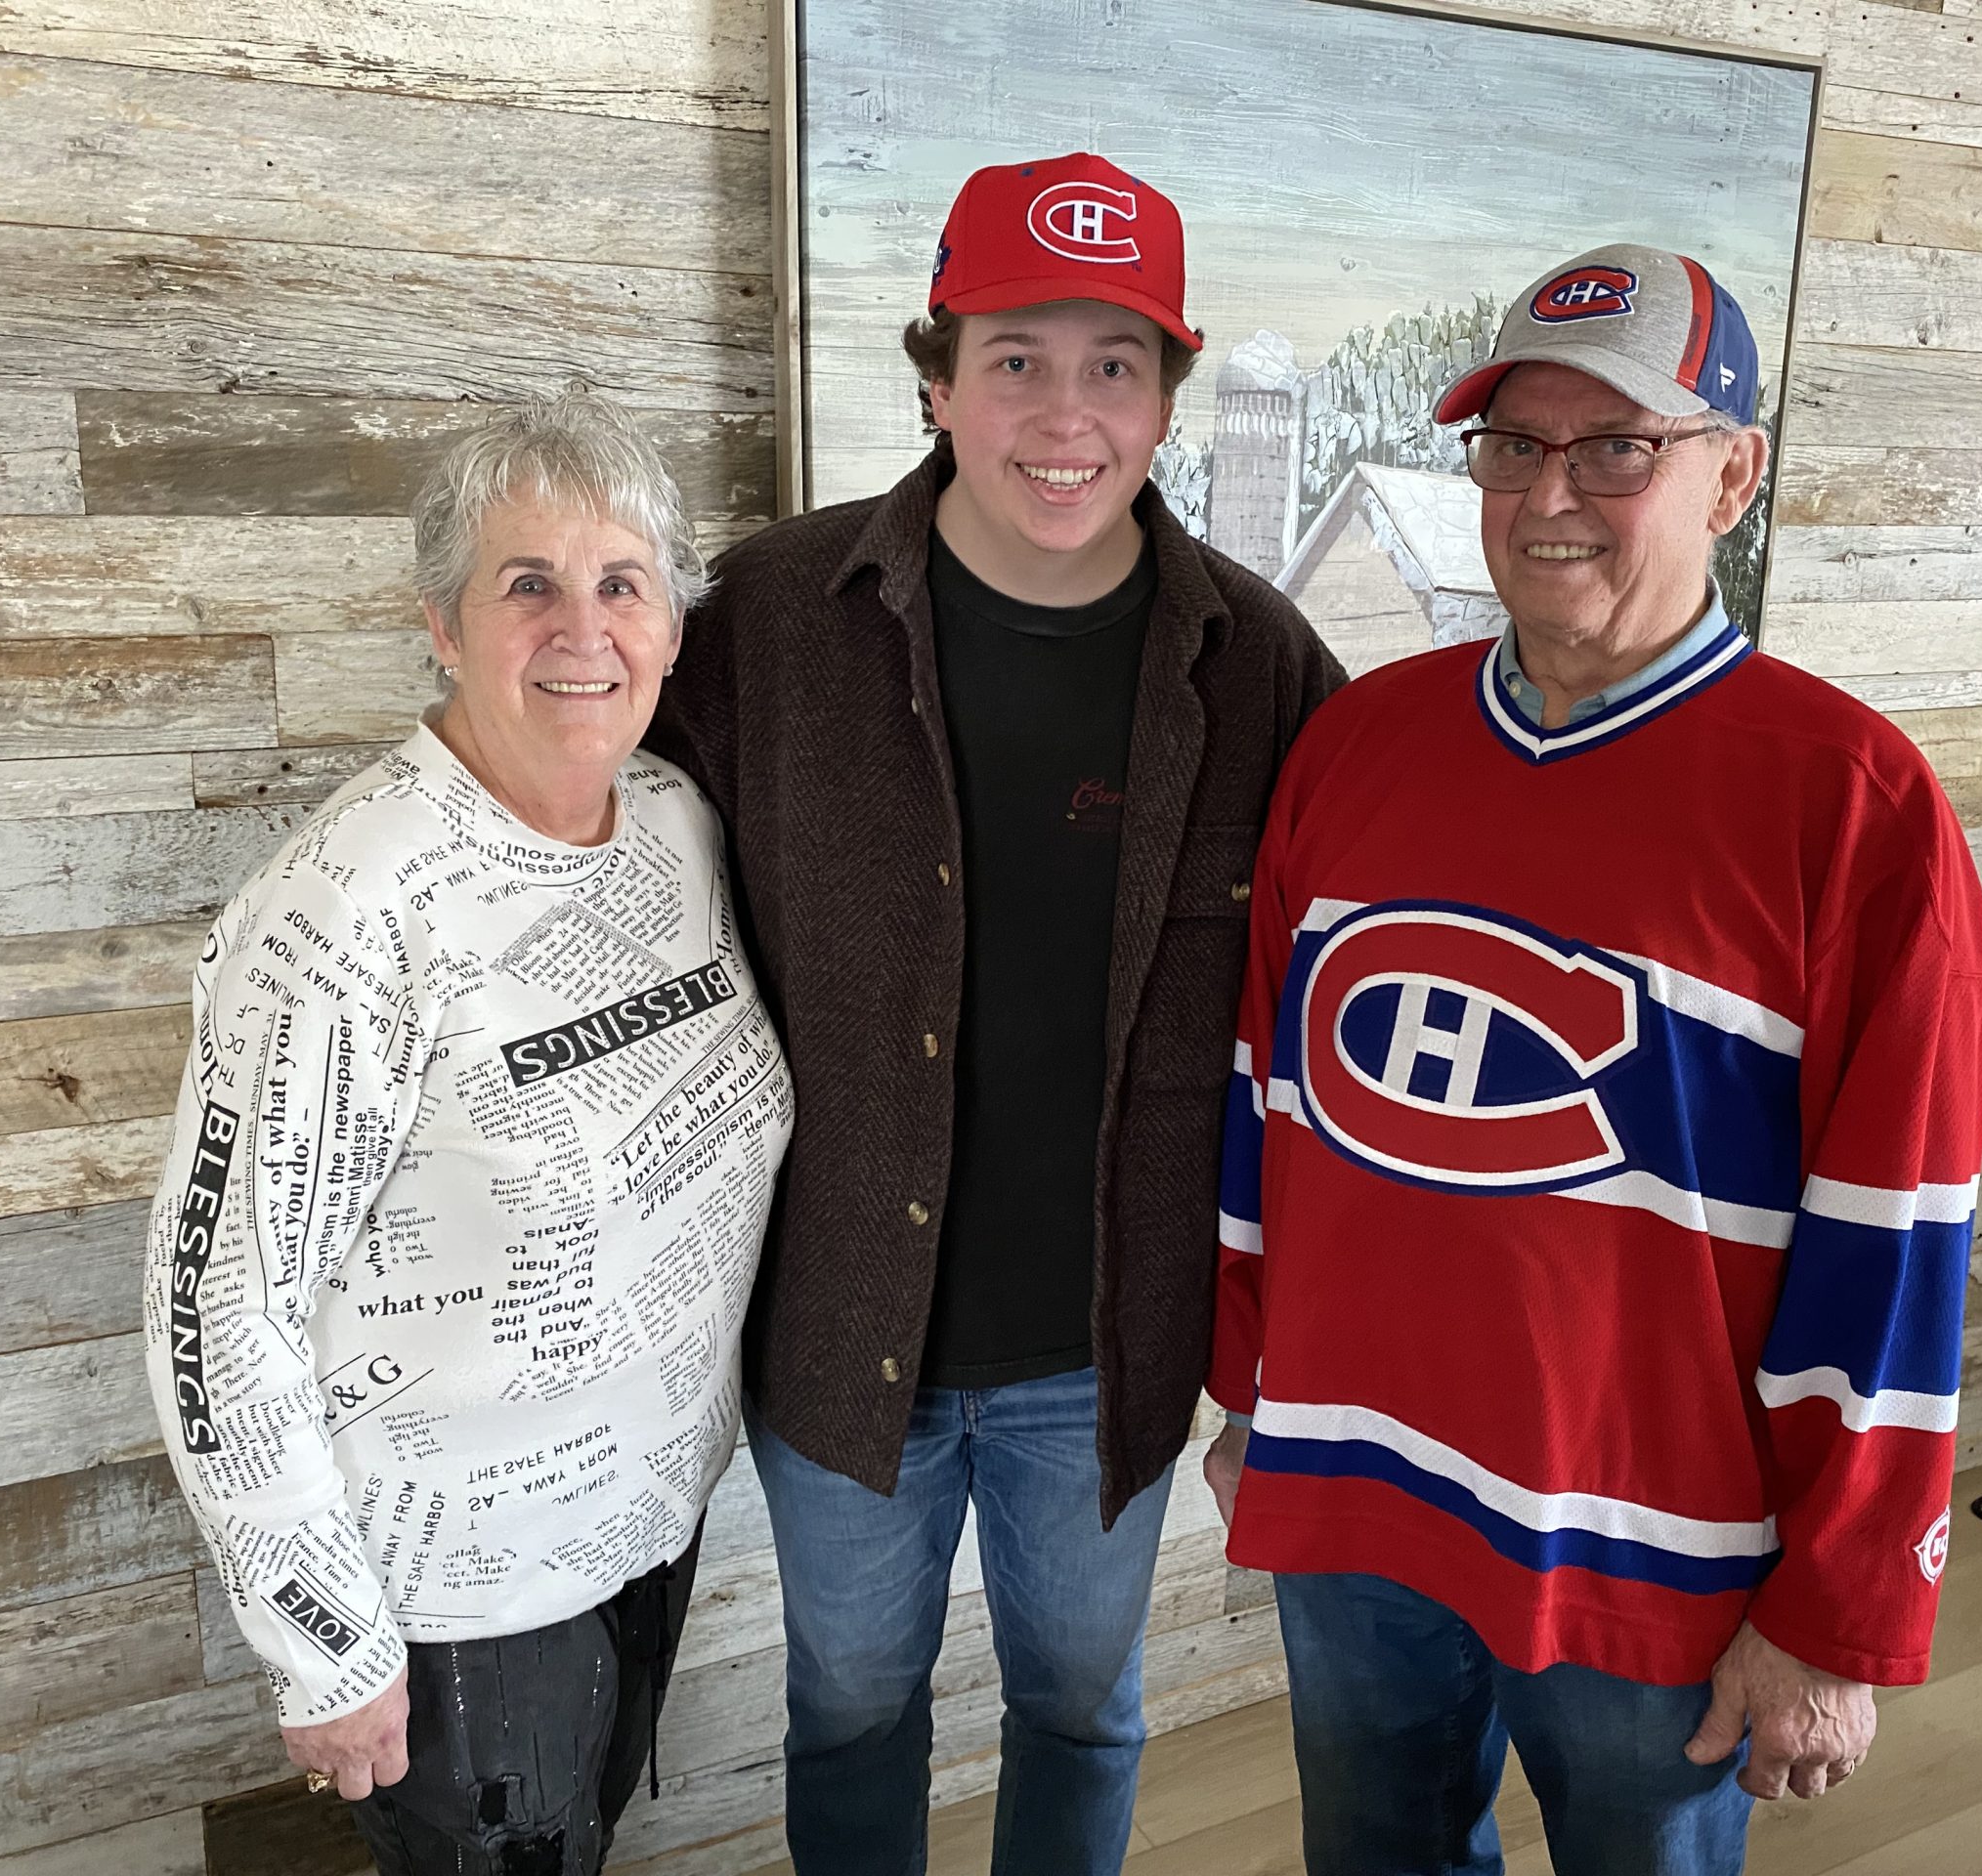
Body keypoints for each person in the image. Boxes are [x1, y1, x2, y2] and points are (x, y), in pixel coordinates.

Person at [1201, 243, 1982, 1876]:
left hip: (1660, 1547)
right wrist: (1252, 1390)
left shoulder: (1854, 807)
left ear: (1732, 478)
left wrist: (1838, 1611)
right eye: (1514, 444)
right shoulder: (1358, 744)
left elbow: (1897, 1251)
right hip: (1358, 1489)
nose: (1549, 493)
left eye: (1618, 446)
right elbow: (1264, 1098)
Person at [646, 151, 1343, 1874]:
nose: (1065, 413)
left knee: (1086, 1713)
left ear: (1171, 397)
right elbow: (610, 903)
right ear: (938, 378)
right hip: (834, 1332)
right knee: (853, 1711)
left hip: (1101, 1355)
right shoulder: (764, 628)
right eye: (1017, 356)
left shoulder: (1262, 668)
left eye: (1115, 363)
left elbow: (1323, 1028)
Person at [141, 393, 793, 1876]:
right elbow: (216, 1298)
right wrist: (323, 1638)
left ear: (673, 628)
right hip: (456, 1590)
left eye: (621, 582)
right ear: (441, 624)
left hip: (647, 1516)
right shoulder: (345, 908)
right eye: (527, 585)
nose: (583, 628)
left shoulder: (679, 825)